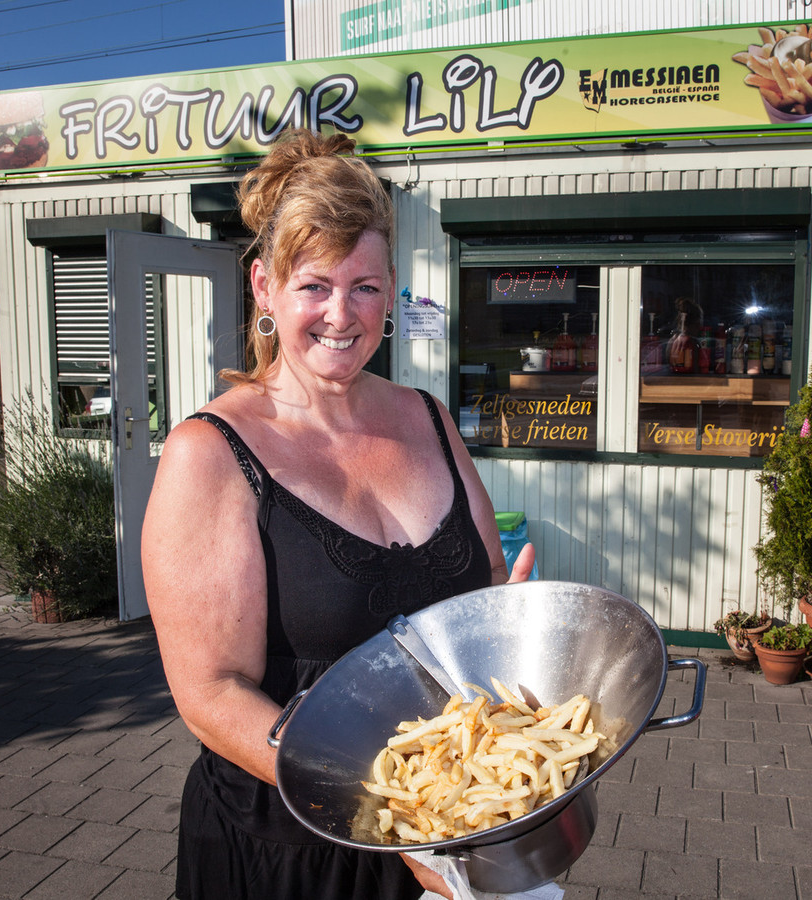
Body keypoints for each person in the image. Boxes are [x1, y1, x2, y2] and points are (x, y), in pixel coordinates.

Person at [139, 130, 534, 900]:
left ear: (392, 290)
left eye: (365, 287)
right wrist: (391, 808)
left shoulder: (428, 417)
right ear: (265, 288)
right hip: (290, 853)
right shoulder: (211, 452)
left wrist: (513, 621)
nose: (340, 315)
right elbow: (211, 694)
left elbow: (484, 582)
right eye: (314, 285)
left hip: (444, 824)